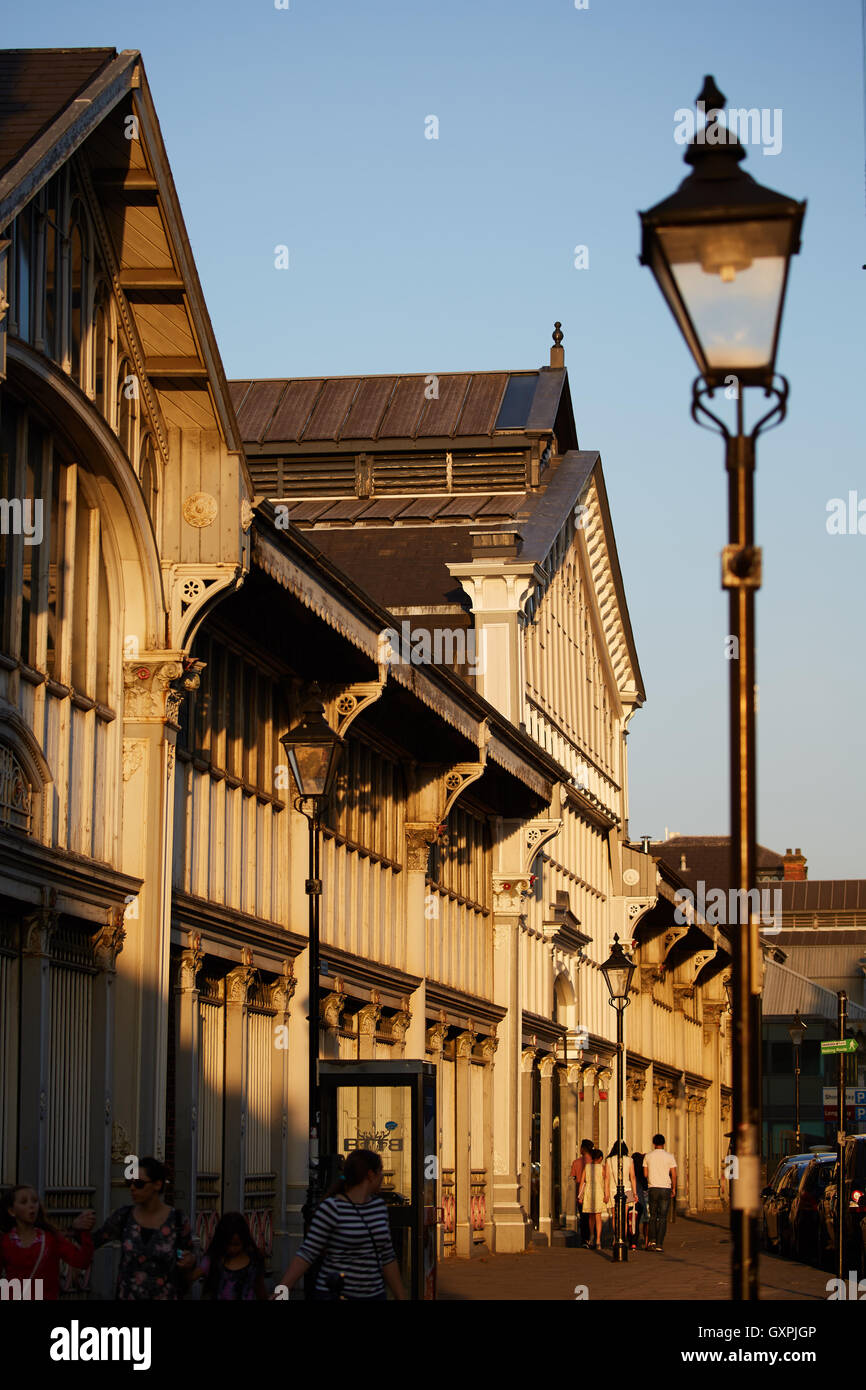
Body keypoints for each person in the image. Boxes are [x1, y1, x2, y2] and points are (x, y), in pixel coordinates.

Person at [276, 1149, 406, 1300]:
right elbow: (307, 1253)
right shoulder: (332, 1208)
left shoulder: (378, 1207)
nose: (382, 1177)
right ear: (370, 1175)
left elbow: (387, 1256)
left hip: (373, 1295)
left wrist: (400, 1296)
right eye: (380, 1171)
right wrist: (282, 1291)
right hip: (337, 1294)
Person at [84, 1155, 196, 1299]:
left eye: (139, 1184)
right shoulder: (123, 1217)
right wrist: (78, 1229)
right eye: (130, 1183)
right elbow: (92, 1243)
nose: (132, 1188)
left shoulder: (177, 1221)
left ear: (157, 1184)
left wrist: (189, 1261)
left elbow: (189, 1259)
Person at [0, 1184, 93, 1299]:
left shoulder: (51, 1239)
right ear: (11, 1211)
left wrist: (84, 1231)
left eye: (35, 1201)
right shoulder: (5, 1242)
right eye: (24, 1202)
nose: (31, 1206)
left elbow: (82, 1261)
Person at [193, 1212, 266, 1300]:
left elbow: (260, 1290)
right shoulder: (213, 1260)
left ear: (244, 1240)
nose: (232, 1249)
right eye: (228, 1244)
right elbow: (191, 1278)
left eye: (236, 1244)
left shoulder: (254, 1261)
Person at [643, 1134, 677, 1253]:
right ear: (664, 1143)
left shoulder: (648, 1156)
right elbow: (674, 1174)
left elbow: (645, 1174)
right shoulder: (669, 1156)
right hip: (665, 1188)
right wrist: (674, 1188)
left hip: (653, 1188)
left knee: (652, 1216)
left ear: (654, 1143)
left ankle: (651, 1240)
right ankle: (659, 1243)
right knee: (662, 1217)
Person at [604, 1141, 637, 1248]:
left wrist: (606, 1193)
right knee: (625, 1216)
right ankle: (623, 1238)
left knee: (615, 1216)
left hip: (613, 1190)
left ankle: (616, 1238)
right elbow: (632, 1177)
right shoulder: (630, 1160)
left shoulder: (609, 1160)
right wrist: (635, 1193)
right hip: (627, 1189)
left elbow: (607, 1178)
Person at [578, 1147, 606, 1250]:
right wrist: (606, 1194)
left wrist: (580, 1196)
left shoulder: (587, 1167)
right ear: (600, 1158)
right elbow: (605, 1182)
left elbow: (582, 1182)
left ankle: (591, 1235)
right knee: (598, 1217)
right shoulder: (602, 1168)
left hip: (589, 1192)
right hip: (599, 1192)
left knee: (591, 1217)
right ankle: (598, 1239)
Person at [570, 1139, 594, 1247]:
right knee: (592, 1216)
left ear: (583, 1149)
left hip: (581, 1192)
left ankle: (584, 1239)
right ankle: (592, 1238)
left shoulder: (576, 1162)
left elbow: (574, 1178)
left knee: (583, 1217)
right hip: (592, 1191)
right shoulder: (594, 1162)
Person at [631, 1151, 649, 1250]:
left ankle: (633, 1241)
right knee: (647, 1220)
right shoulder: (644, 1170)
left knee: (634, 1219)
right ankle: (647, 1241)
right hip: (645, 1195)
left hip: (633, 1195)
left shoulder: (632, 1170)